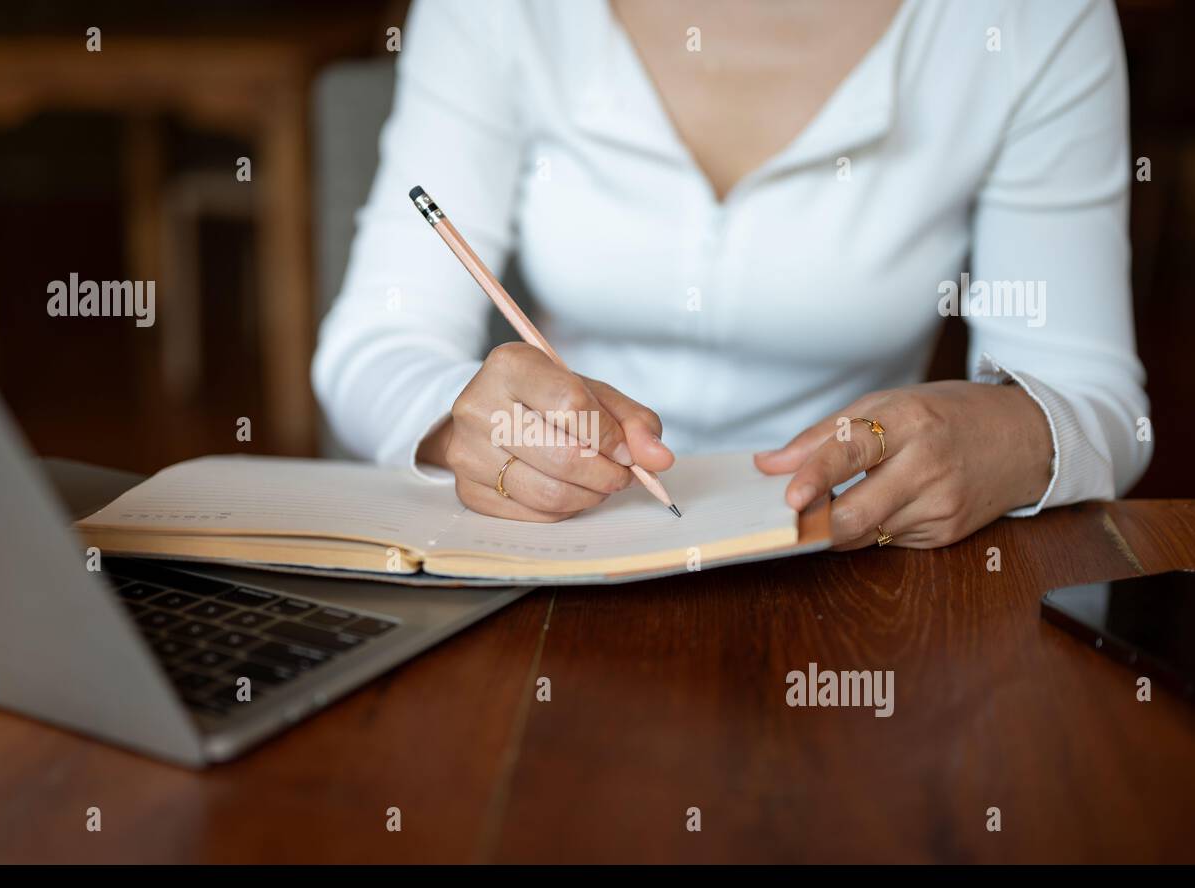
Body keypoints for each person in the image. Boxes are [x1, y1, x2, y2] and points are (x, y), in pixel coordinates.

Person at [313, 0, 1149, 549]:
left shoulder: (1034, 20)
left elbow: (1098, 401)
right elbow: (373, 345)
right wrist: (460, 422)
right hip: (553, 554)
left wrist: (1002, 431)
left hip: (850, 565)